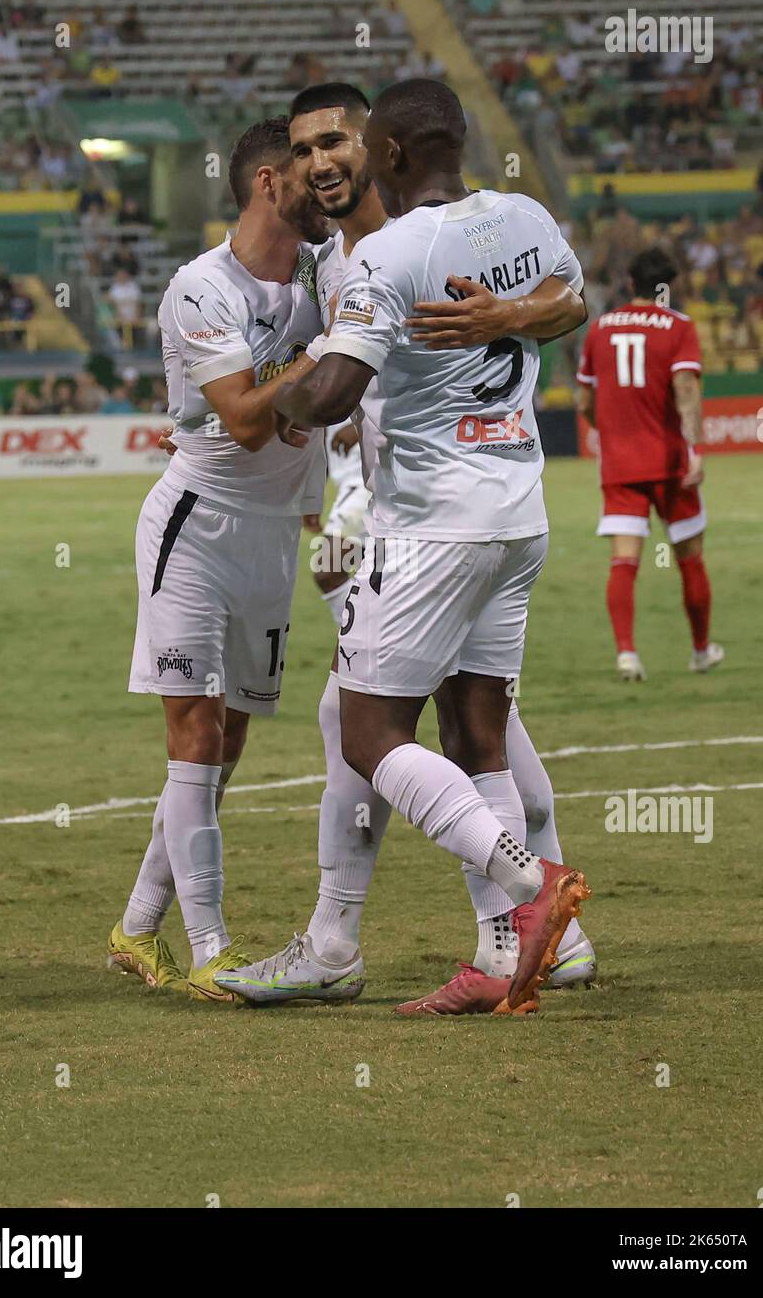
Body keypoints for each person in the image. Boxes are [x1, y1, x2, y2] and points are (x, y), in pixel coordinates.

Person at [214, 79, 592, 1017]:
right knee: (477, 731)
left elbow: (333, 388)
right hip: (508, 512)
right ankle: (523, 953)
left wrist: (274, 402)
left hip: (429, 529)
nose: (321, 161)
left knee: (363, 727)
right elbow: (570, 299)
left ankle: (517, 893)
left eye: (338, 141)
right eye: (302, 151)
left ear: (381, 151)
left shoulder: (387, 255)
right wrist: (511, 316)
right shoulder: (515, 215)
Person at [107, 117, 331, 1003]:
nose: (327, 190)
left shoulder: (324, 274)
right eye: (311, 178)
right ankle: (210, 949)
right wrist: (323, 356)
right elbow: (243, 419)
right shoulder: (202, 287)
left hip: (272, 536)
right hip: (196, 527)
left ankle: (134, 927)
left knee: (225, 746)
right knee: (195, 739)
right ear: (269, 183)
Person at [576, 247, 722, 680]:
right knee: (690, 558)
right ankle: (699, 651)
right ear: (667, 288)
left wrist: (610, 430)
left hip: (620, 463)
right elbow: (686, 390)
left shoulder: (600, 328)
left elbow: (585, 400)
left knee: (624, 561)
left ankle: (626, 653)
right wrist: (694, 449)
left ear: (630, 283)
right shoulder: (678, 327)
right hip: (672, 462)